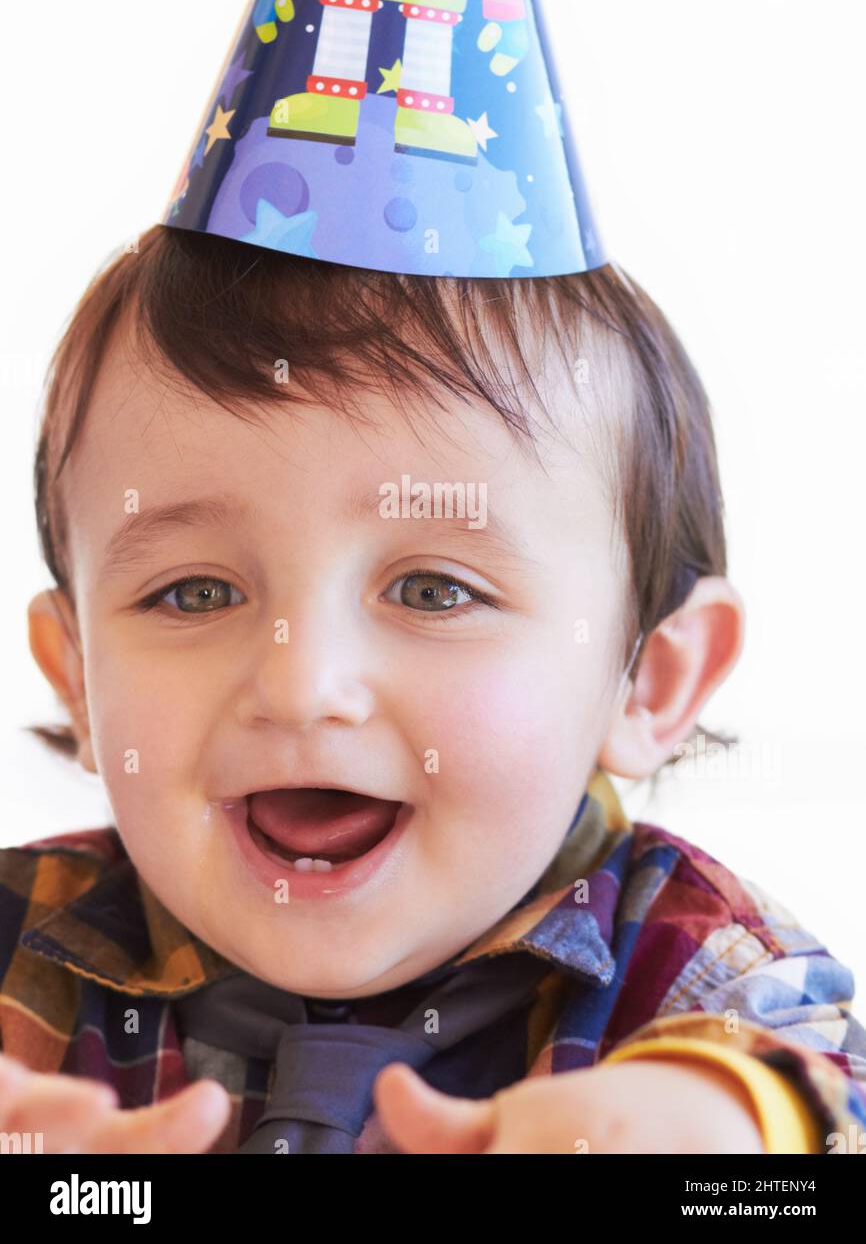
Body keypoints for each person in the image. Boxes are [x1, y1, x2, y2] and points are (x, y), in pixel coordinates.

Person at [2, 225, 864, 1153]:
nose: (302, 686)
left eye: (434, 591)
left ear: (650, 678)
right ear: (79, 677)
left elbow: (819, 1101)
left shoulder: (705, 972)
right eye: (196, 593)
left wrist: (722, 1138)